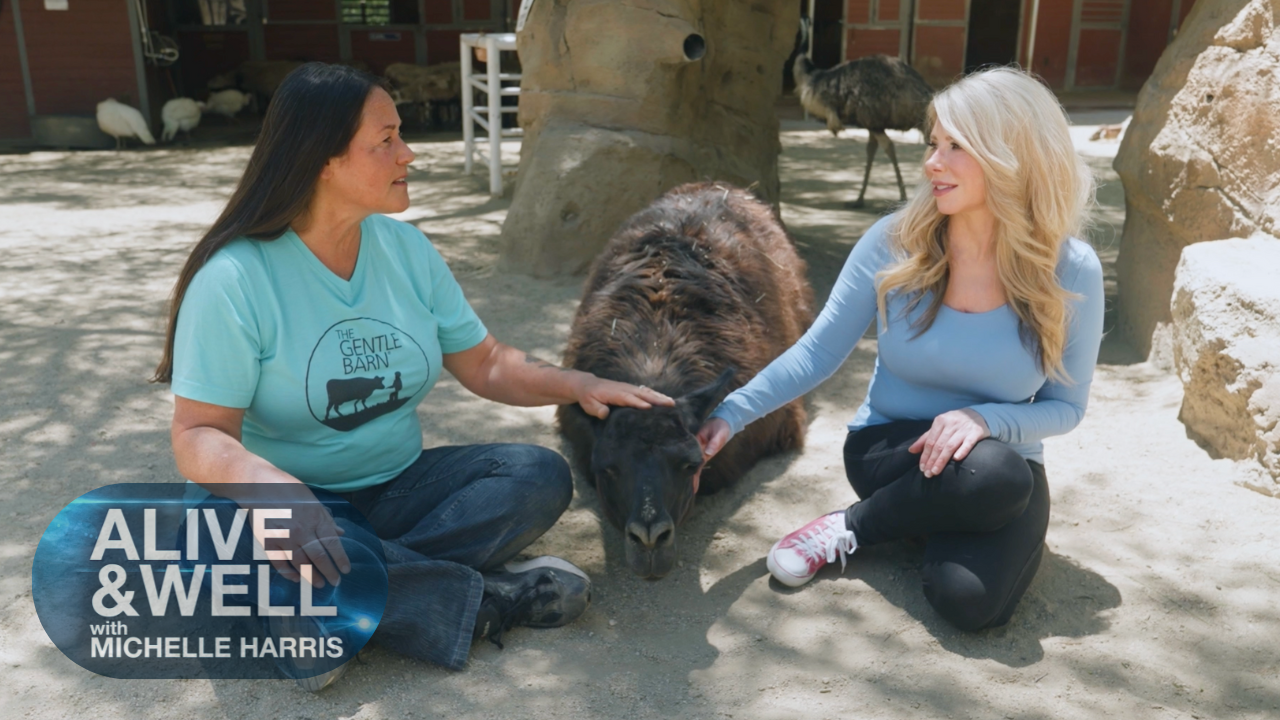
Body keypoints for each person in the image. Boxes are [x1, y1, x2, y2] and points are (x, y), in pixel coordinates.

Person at [152, 63, 673, 690]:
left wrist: (577, 384)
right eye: (387, 139)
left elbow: (484, 363)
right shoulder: (234, 279)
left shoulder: (406, 250)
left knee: (536, 476)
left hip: (395, 493)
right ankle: (482, 600)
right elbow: (199, 434)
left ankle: (327, 603)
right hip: (279, 507)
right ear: (323, 159)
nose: (409, 153)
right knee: (214, 545)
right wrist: (275, 492)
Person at [696, 68, 1104, 631]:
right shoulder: (894, 241)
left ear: (1013, 155)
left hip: (997, 464)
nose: (933, 162)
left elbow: (1066, 407)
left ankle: (923, 518)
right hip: (891, 451)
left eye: (956, 147)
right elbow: (816, 354)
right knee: (996, 479)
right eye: (934, 143)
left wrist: (982, 420)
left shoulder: (1072, 269)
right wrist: (729, 415)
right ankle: (853, 526)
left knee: (971, 602)